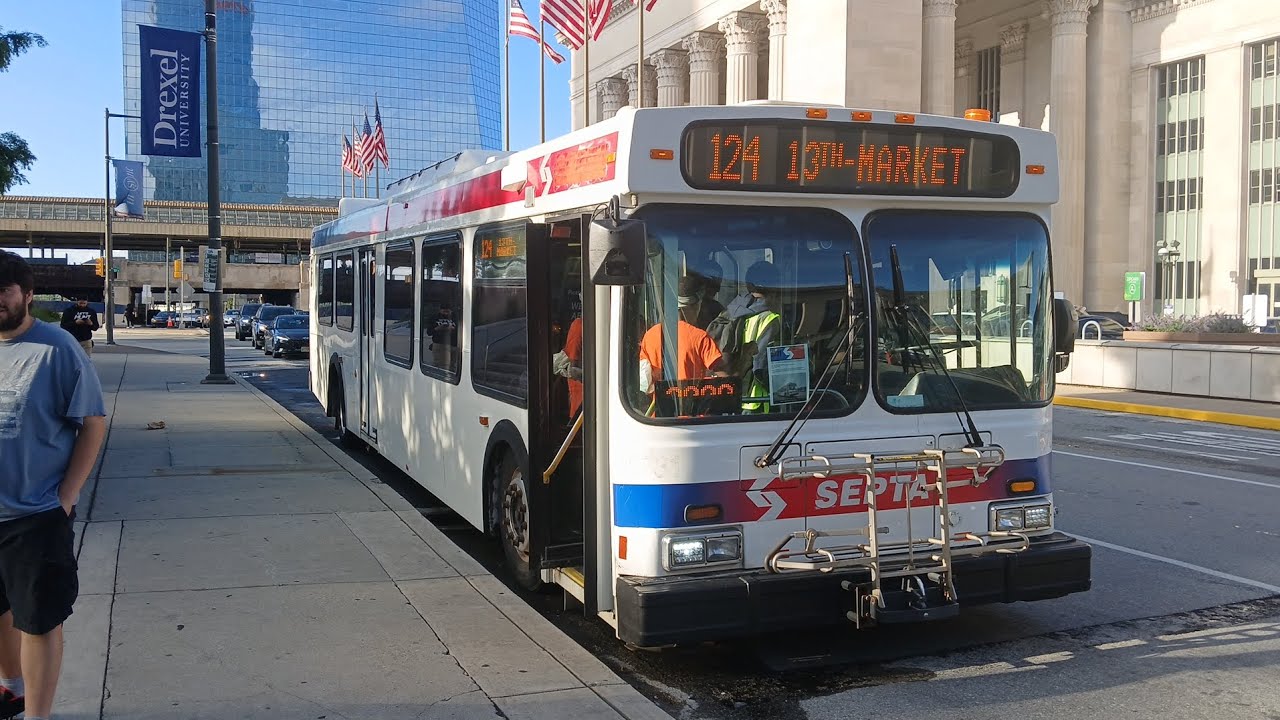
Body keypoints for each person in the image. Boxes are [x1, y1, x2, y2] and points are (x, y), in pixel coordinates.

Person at [0, 251, 107, 720]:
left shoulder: (57, 348)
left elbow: (93, 424)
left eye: (3, 291)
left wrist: (65, 497)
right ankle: (12, 689)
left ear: (26, 295)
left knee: (38, 620)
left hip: (34, 514)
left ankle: (37, 716)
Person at [638, 276, 728, 401]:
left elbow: (644, 378)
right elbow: (725, 380)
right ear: (696, 305)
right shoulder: (700, 337)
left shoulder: (650, 335)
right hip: (694, 415)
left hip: (659, 415)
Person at [687, 259, 726, 330]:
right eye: (710, 285)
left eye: (716, 285)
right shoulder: (684, 307)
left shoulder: (717, 309)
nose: (717, 290)